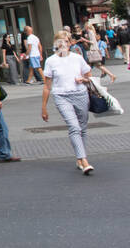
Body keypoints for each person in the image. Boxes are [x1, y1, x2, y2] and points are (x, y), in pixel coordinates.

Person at [41, 31, 95, 174]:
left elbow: (89, 77)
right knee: (74, 127)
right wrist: (44, 107)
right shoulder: (50, 61)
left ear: (70, 43)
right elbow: (47, 86)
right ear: (55, 44)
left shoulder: (77, 58)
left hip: (80, 94)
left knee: (82, 128)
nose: (62, 44)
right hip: (61, 96)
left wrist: (83, 80)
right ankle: (84, 160)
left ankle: (79, 159)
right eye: (60, 41)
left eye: (65, 41)